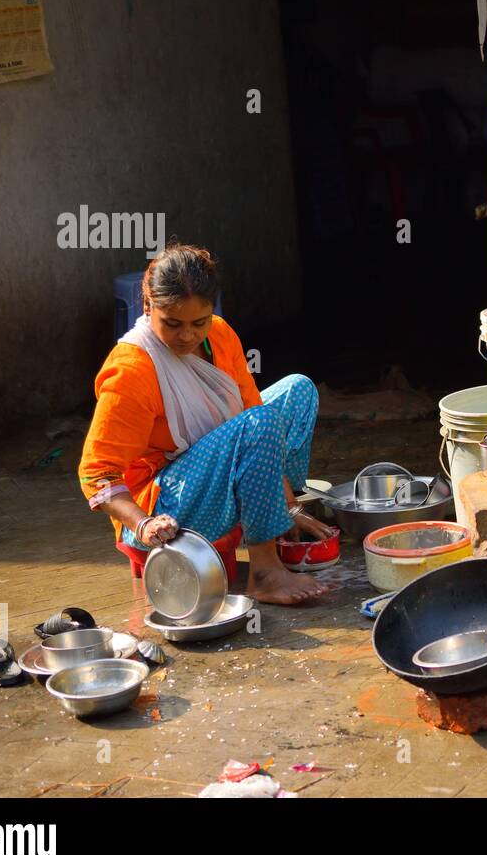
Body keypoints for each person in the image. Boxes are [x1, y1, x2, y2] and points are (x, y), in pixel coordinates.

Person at [78, 244, 328, 605]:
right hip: (162, 508)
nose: (187, 336)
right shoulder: (131, 371)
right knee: (258, 423)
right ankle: (264, 571)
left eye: (199, 322)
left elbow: (253, 410)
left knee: (296, 391)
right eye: (173, 324)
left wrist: (286, 505)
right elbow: (97, 473)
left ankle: (272, 527)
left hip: (212, 471)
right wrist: (142, 523)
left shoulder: (221, 335)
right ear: (148, 307)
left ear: (213, 311)